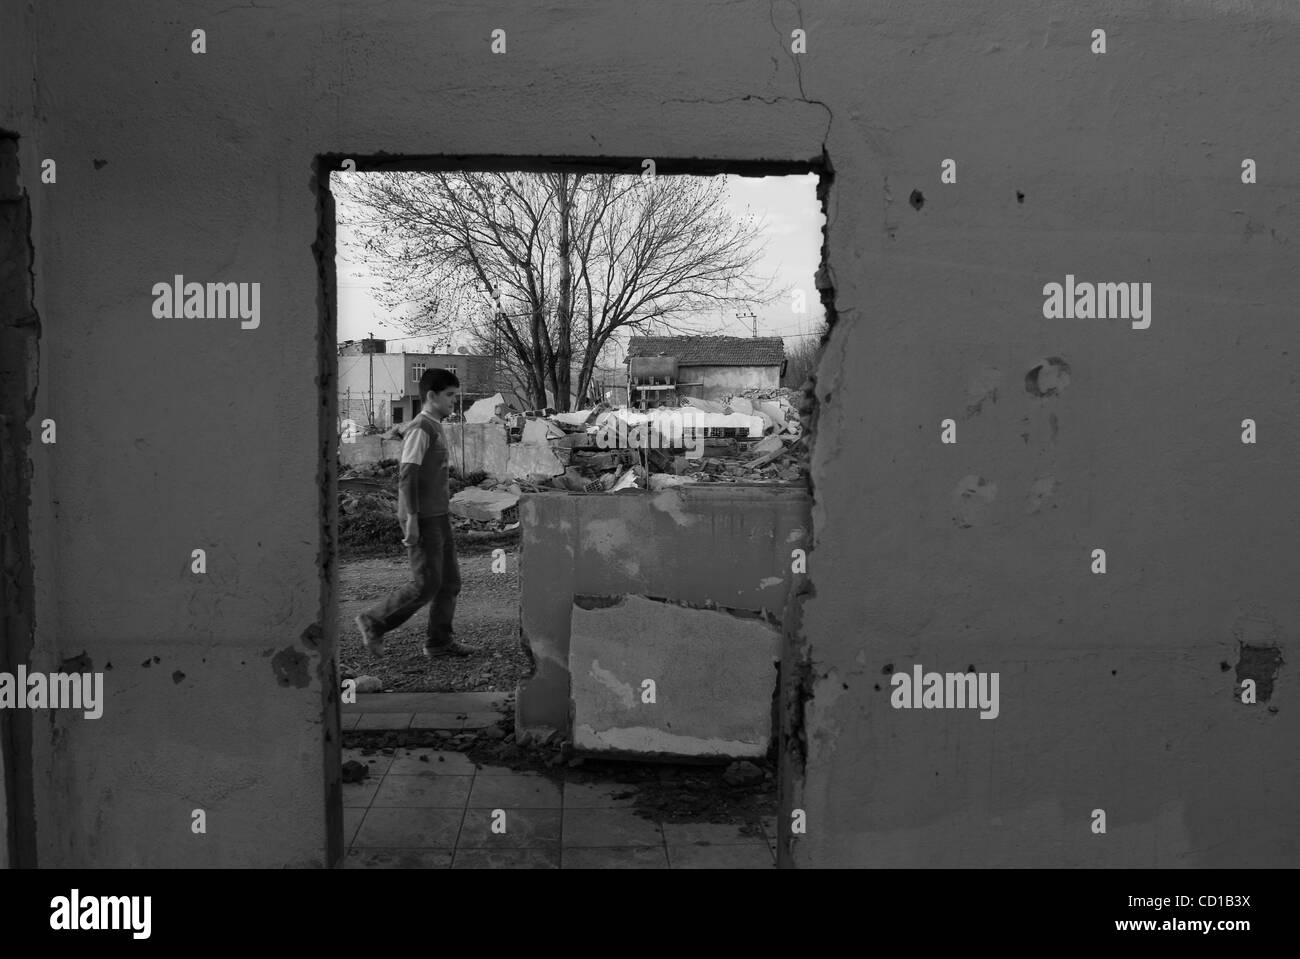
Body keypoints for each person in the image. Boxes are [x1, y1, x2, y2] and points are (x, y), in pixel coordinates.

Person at [355, 368, 472, 659]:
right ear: (431, 396)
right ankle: (374, 621)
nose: (453, 401)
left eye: (455, 396)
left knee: (449, 583)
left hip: (439, 516)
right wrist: (411, 520)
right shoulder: (422, 429)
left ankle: (439, 642)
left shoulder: (432, 425)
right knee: (426, 584)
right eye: (449, 395)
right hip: (423, 518)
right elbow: (407, 476)